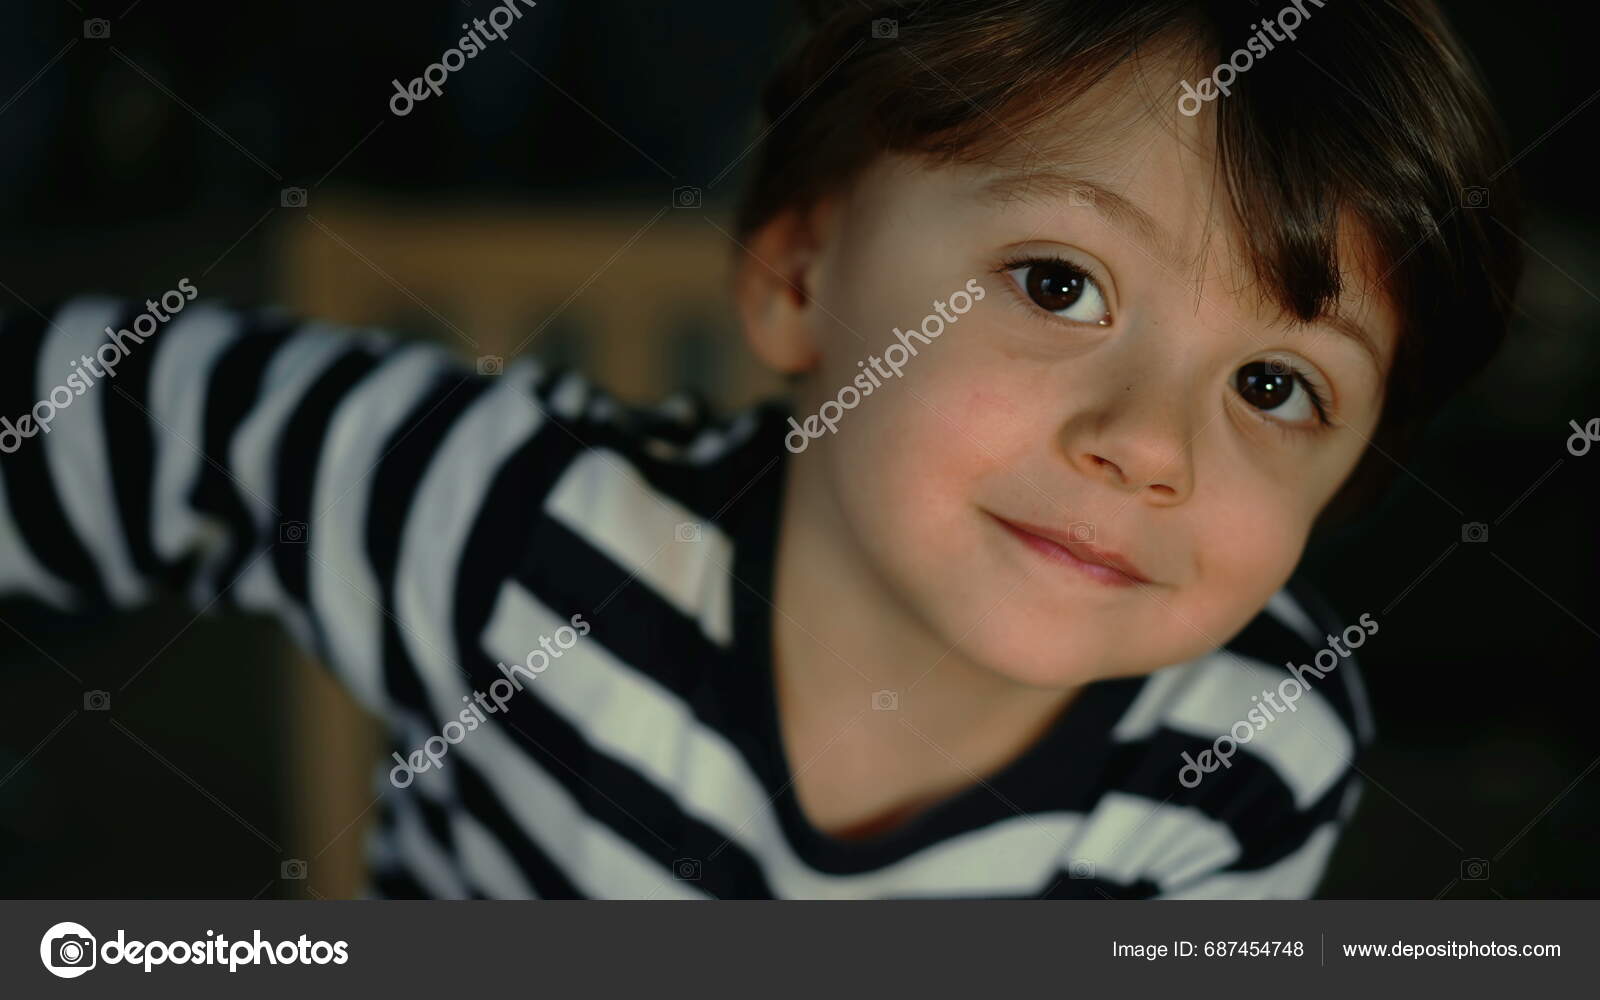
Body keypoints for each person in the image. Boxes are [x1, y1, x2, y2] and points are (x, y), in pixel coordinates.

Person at [0, 0, 1520, 897]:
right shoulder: (498, 522)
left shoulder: (1260, 740)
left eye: (1276, 385)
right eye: (1059, 284)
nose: (1146, 446)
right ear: (801, 277)